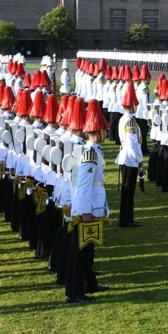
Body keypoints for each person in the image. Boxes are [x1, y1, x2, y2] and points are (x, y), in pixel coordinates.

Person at [66, 99, 109, 304]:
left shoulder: (88, 150)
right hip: (86, 209)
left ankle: (88, 283)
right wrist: (83, 211)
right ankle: (75, 291)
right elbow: (82, 185)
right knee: (80, 252)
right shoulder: (90, 153)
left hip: (91, 207)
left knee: (88, 249)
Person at [115, 82, 143, 228]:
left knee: (128, 191)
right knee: (128, 191)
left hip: (126, 157)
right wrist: (139, 160)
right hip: (130, 159)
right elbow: (133, 143)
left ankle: (127, 219)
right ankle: (126, 220)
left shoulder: (123, 118)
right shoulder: (130, 120)